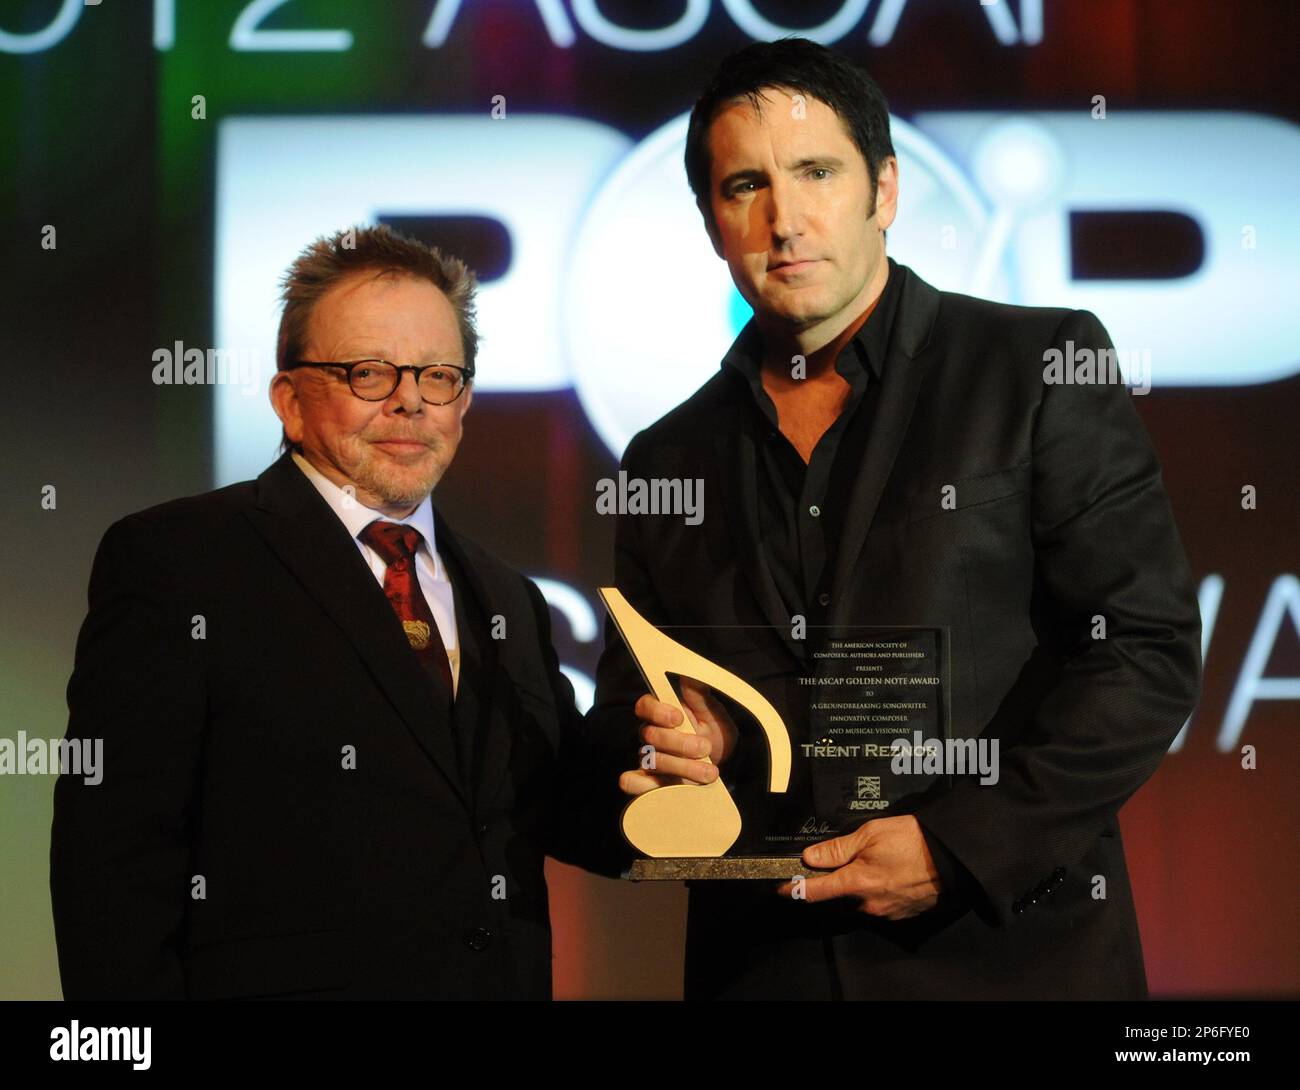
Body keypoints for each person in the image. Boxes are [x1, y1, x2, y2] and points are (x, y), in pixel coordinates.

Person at [590, 38, 1201, 999]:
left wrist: (959, 848)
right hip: (764, 967)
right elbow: (637, 699)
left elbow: (1144, 649)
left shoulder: (1036, 367)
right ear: (711, 223)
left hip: (1007, 965)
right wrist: (688, 740)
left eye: (817, 173)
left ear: (884, 190)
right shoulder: (667, 459)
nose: (785, 220)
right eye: (745, 185)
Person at [51, 224, 622, 999]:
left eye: (438, 375)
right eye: (368, 373)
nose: (410, 401)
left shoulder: (506, 599)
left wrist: (673, 763)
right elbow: (110, 870)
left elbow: (561, 814)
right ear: (290, 400)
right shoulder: (179, 563)